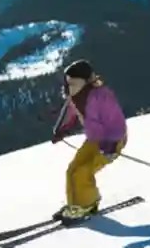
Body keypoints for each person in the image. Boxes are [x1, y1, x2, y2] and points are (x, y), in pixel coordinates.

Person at [51, 60, 128, 220]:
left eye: (73, 83)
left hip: (111, 141)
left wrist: (111, 145)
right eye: (68, 83)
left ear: (86, 81)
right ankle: (75, 204)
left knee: (83, 172)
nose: (69, 87)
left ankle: (87, 204)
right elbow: (72, 114)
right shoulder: (76, 97)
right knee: (73, 170)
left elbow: (116, 122)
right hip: (94, 140)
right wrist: (63, 130)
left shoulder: (102, 96)